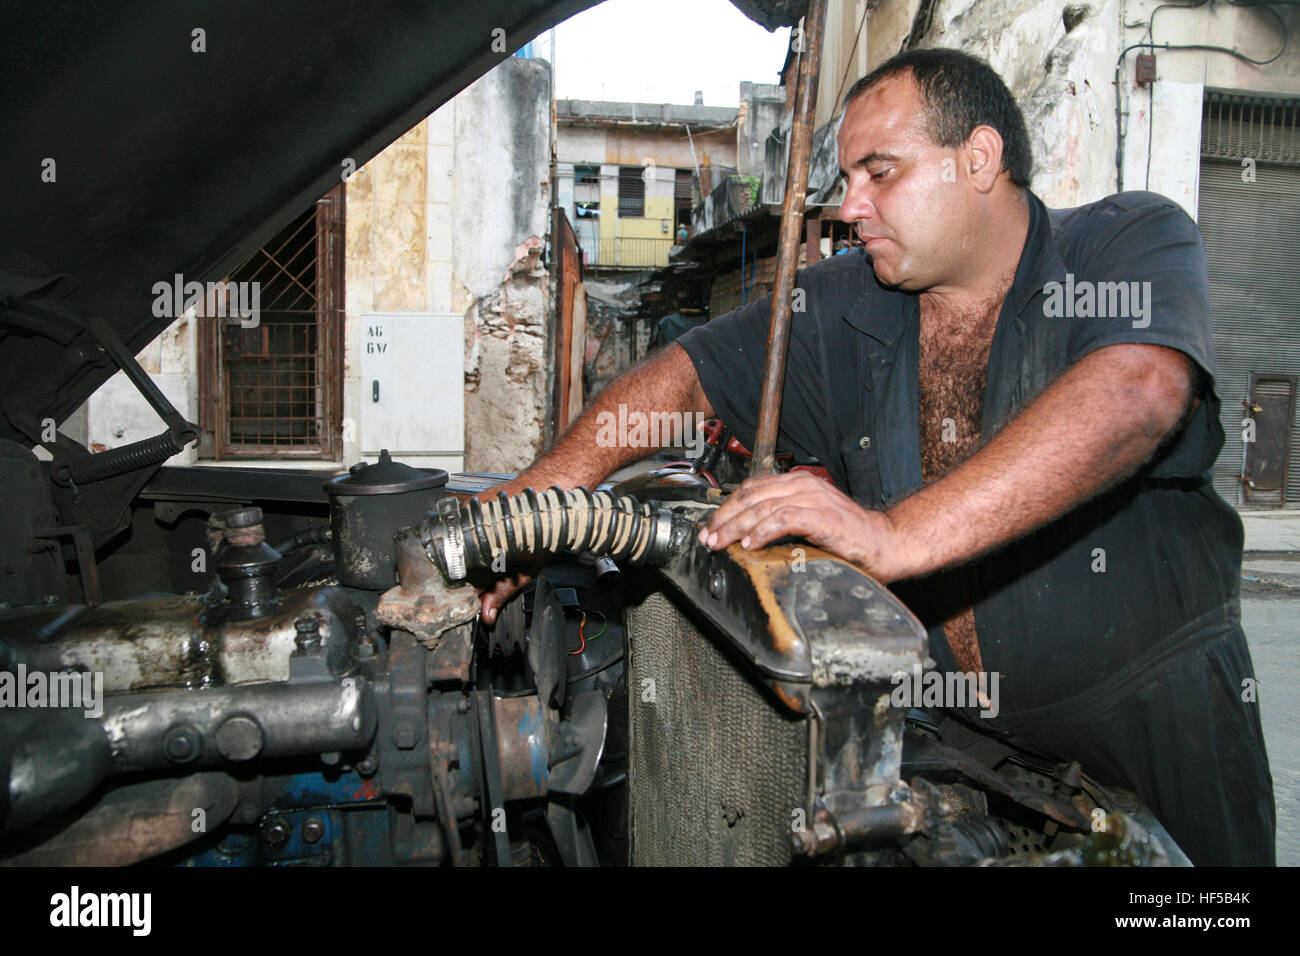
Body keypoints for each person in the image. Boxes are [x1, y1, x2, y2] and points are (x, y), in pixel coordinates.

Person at [477, 48, 1274, 866]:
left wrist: (892, 535)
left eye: (880, 172)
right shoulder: (842, 304)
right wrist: (533, 508)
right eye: (848, 176)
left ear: (980, 158)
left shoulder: (1124, 242)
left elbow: (1136, 392)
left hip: (1155, 738)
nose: (852, 204)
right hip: (957, 748)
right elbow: (683, 379)